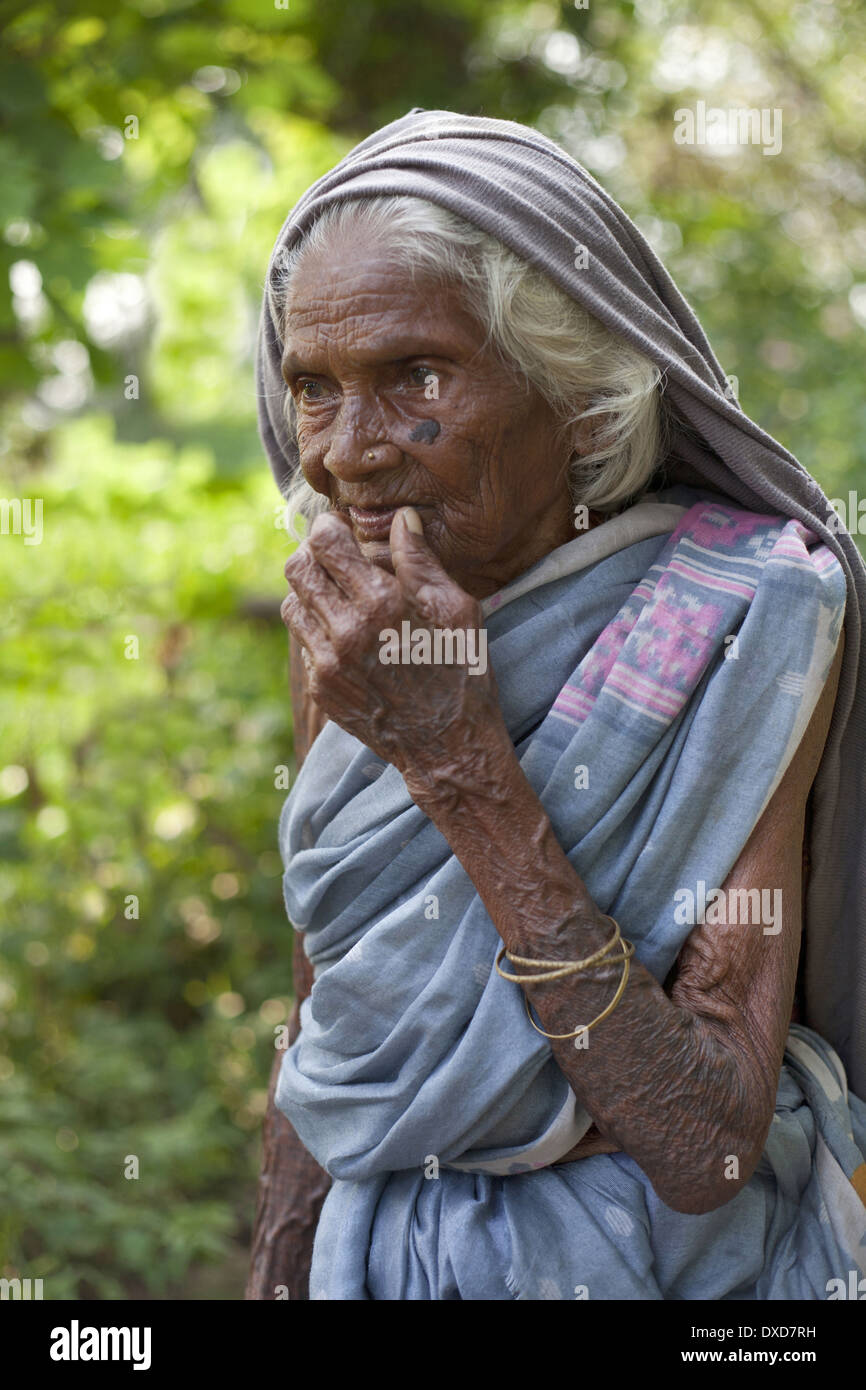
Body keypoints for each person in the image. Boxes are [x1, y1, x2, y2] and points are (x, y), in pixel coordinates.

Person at [248, 108, 866, 1301]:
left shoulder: (746, 610)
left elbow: (703, 1143)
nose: (346, 453)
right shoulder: (350, 618)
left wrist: (461, 758)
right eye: (313, 389)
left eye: (414, 376)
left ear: (576, 395)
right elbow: (328, 1008)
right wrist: (277, 1266)